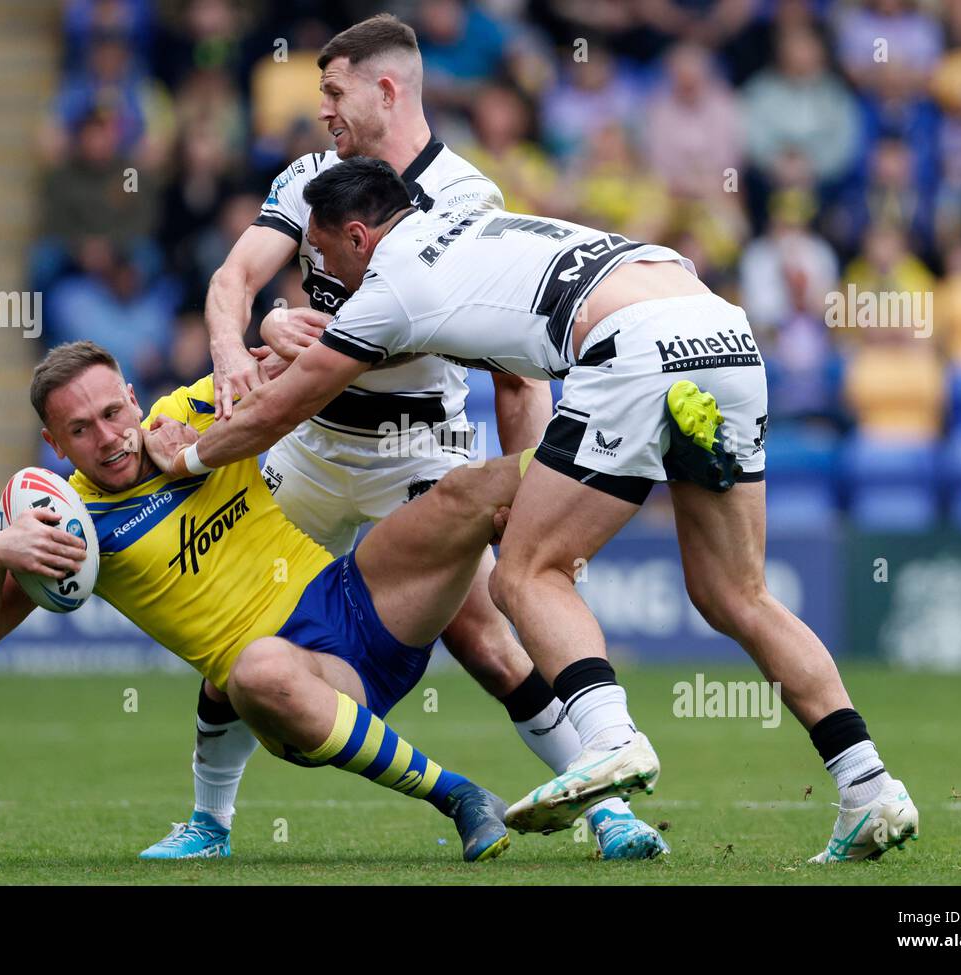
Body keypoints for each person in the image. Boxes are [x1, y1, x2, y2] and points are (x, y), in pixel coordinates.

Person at [149, 157, 921, 864]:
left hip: (632, 348)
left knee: (525, 571)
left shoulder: (392, 284)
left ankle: (613, 740)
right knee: (735, 593)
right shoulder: (471, 217)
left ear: (358, 236)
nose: (319, 273)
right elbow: (510, 358)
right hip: (719, 327)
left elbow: (281, 407)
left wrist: (184, 458)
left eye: (321, 256)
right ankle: (868, 785)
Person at [183, 13, 663, 861]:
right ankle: (207, 823)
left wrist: (522, 488)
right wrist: (239, 341)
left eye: (334, 91)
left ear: (387, 89)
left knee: (481, 633)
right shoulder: (306, 176)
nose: (323, 108)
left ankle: (606, 806)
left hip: (418, 447)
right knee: (235, 623)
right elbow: (233, 277)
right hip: (308, 444)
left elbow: (511, 368)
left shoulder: (466, 201)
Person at [0, 340, 528, 863]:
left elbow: (311, 357)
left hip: (362, 603)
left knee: (468, 493)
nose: (108, 438)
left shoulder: (191, 410)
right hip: (306, 684)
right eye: (79, 430)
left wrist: (278, 327)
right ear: (53, 442)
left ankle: (603, 458)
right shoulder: (74, 529)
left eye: (113, 413)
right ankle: (461, 797)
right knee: (250, 668)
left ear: (132, 396)